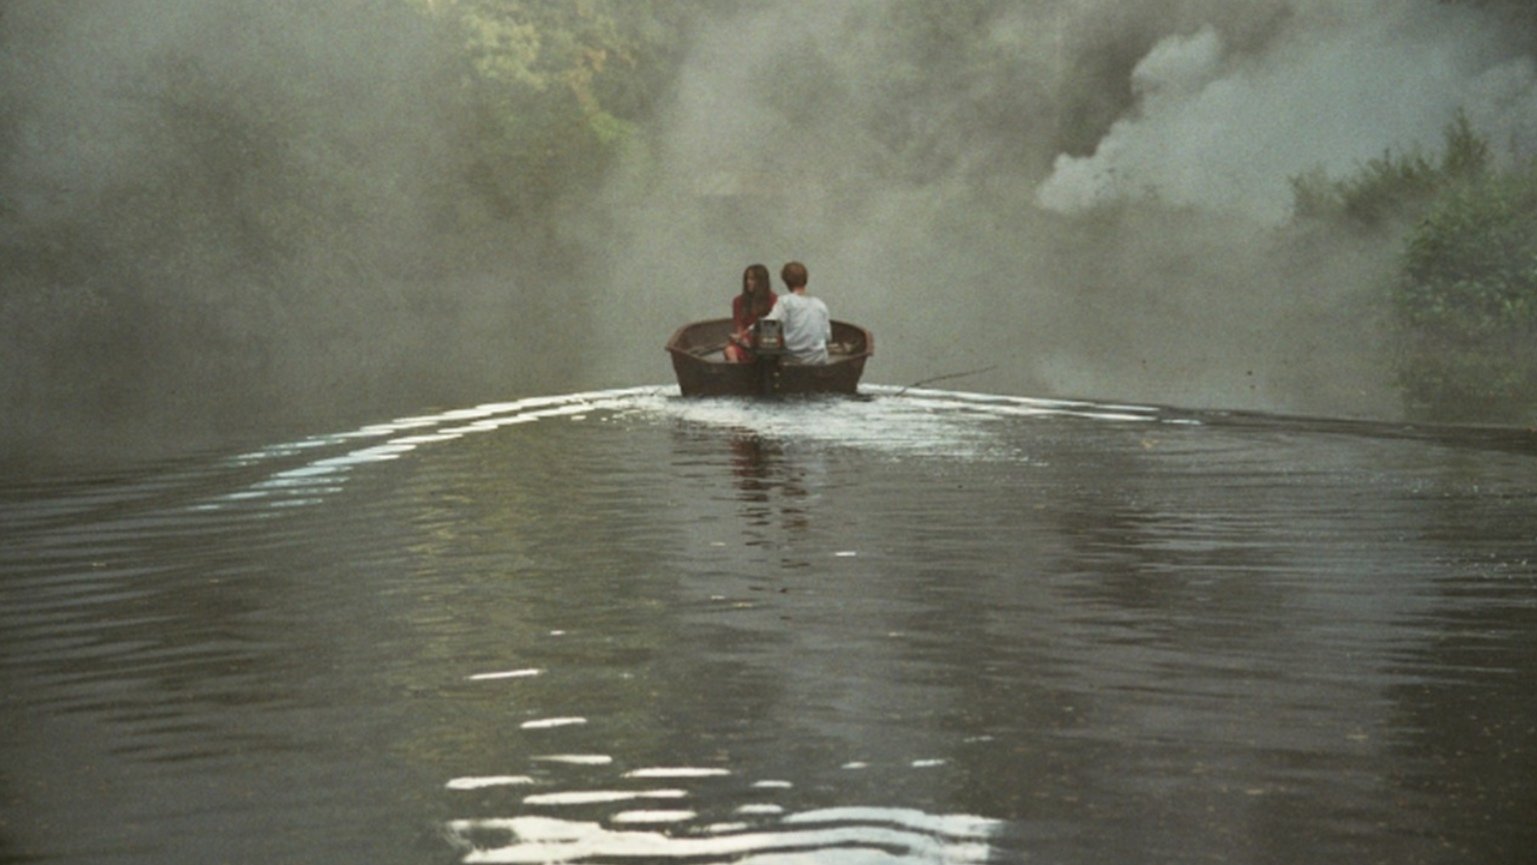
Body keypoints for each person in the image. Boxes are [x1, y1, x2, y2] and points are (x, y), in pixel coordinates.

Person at [761, 260, 830, 364]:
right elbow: (828, 337)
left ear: (786, 281)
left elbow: (768, 323)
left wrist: (745, 332)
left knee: (767, 360)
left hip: (795, 359)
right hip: (818, 358)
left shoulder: (786, 301)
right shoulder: (820, 304)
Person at [725, 263, 777, 363]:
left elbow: (773, 329)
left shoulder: (773, 300)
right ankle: (737, 376)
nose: (748, 282)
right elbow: (739, 327)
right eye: (747, 279)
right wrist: (741, 339)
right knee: (730, 350)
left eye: (752, 279)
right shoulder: (739, 301)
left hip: (766, 344)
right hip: (746, 343)